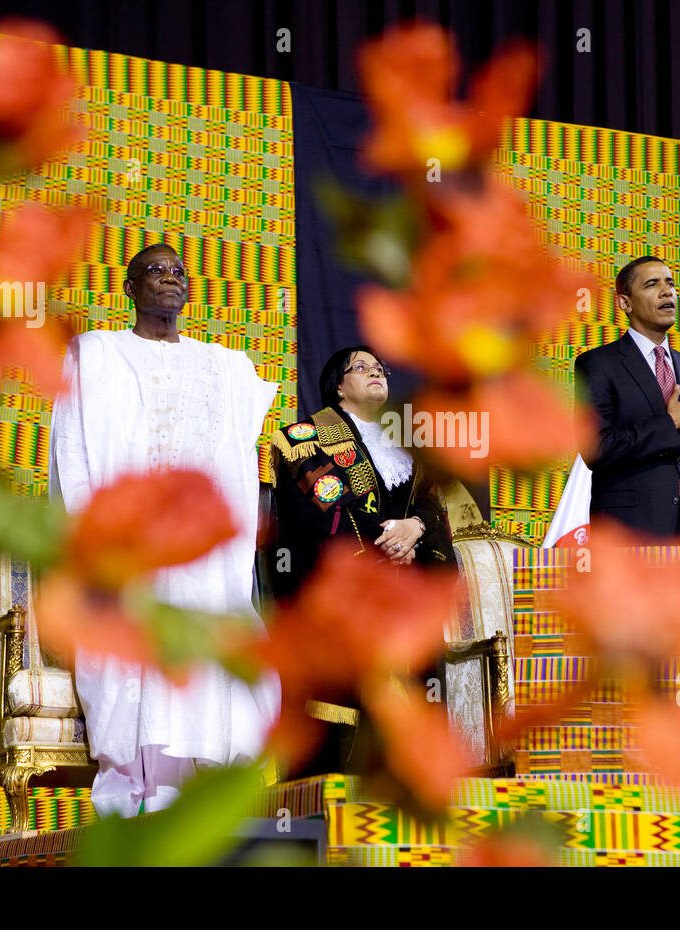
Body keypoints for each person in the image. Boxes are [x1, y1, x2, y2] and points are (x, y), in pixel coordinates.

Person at [47, 242, 279, 817]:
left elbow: (236, 461)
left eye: (179, 272)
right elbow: (72, 452)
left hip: (202, 558)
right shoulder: (95, 353)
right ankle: (133, 811)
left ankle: (203, 813)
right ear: (129, 288)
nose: (170, 279)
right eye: (155, 271)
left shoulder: (225, 365)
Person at [265, 345, 454, 773]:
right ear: (338, 387)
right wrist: (386, 544)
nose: (375, 372)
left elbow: (432, 508)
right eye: (361, 367)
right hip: (344, 595)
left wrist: (415, 530)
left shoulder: (411, 442)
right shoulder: (302, 437)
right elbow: (327, 502)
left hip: (408, 596)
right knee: (341, 715)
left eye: (380, 367)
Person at [574, 255, 680, 543]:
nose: (667, 291)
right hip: (629, 534)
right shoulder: (598, 364)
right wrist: (669, 425)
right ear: (625, 303)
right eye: (652, 284)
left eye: (670, 284)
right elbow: (595, 448)